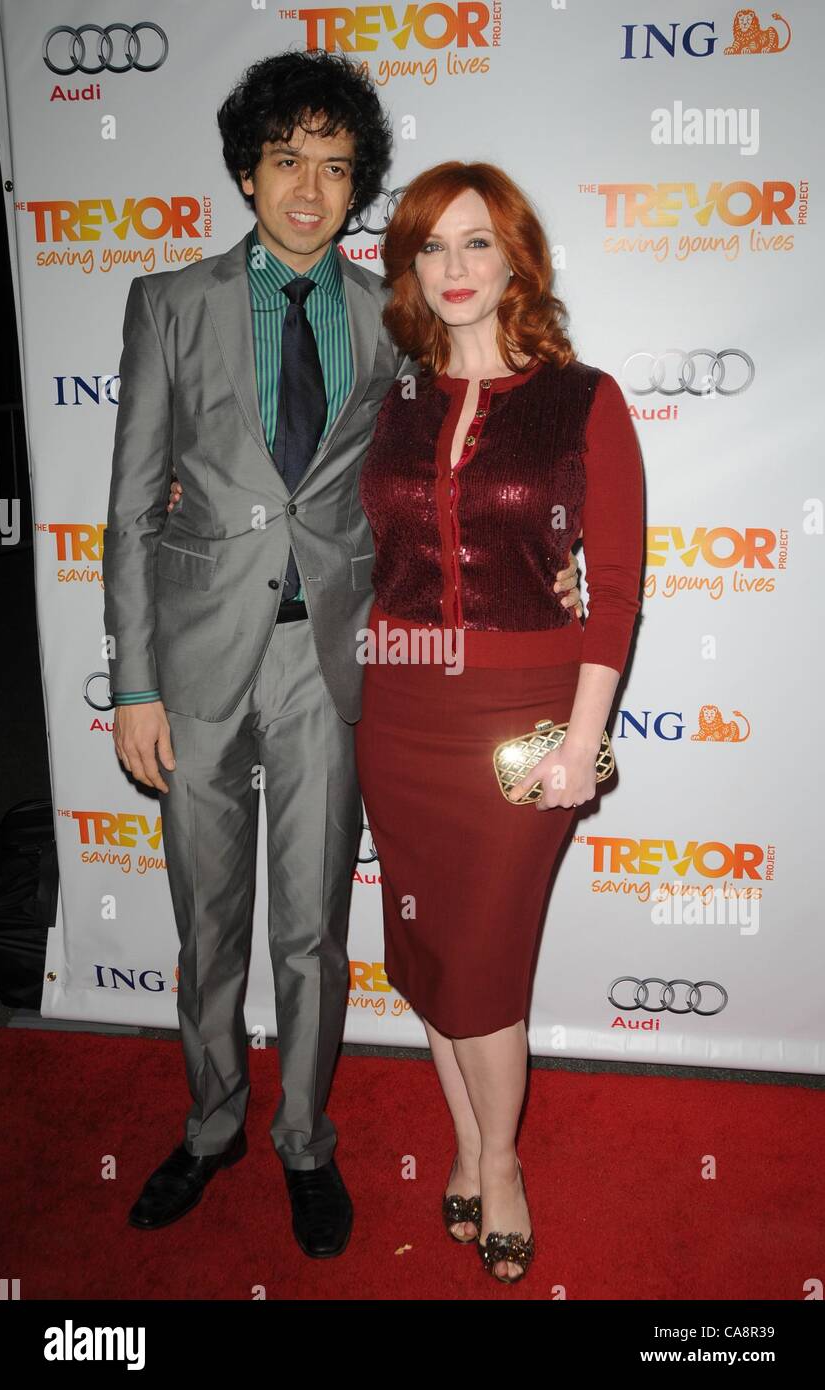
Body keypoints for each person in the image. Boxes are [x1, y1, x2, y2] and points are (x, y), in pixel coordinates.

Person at [104, 50, 584, 1260]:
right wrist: (137, 683)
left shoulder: (394, 312)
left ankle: (305, 1141)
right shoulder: (169, 300)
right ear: (247, 171)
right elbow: (126, 511)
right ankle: (214, 1123)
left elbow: (468, 454)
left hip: (333, 663)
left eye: (335, 165)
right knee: (207, 922)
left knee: (313, 928)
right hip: (200, 662)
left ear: (360, 181)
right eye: (287, 160)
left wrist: (557, 555)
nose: (310, 189)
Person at [353, 162, 645, 1283]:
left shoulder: (584, 397)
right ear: (410, 269)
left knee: (483, 960)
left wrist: (582, 738)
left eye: (478, 244)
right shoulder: (388, 398)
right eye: (433, 247)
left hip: (524, 717)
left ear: (517, 256)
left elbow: (611, 583)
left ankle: (505, 1164)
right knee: (427, 949)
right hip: (399, 702)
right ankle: (471, 1147)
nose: (457, 268)